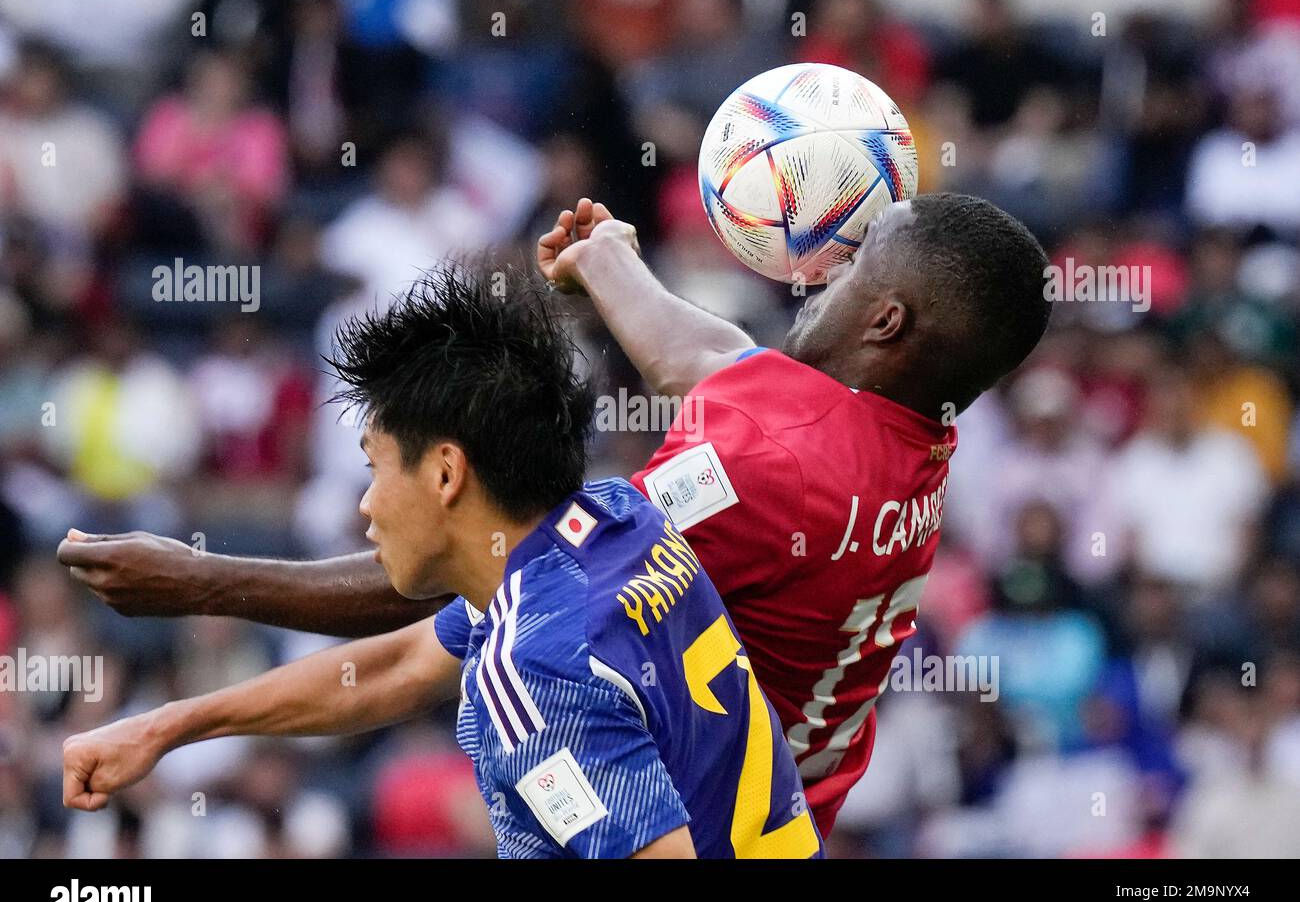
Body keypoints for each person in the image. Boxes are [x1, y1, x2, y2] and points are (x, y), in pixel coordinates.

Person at [58, 192, 1052, 835]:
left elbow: (426, 622)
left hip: (702, 808)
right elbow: (713, 367)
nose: (821, 275)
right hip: (772, 807)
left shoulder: (572, 621)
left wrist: (199, 581)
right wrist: (609, 258)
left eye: (851, 270)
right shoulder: (899, 434)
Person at [61, 263, 822, 861]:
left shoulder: (537, 669)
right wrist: (164, 727)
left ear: (446, 472)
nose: (365, 505)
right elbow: (393, 668)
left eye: (375, 465)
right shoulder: (616, 520)